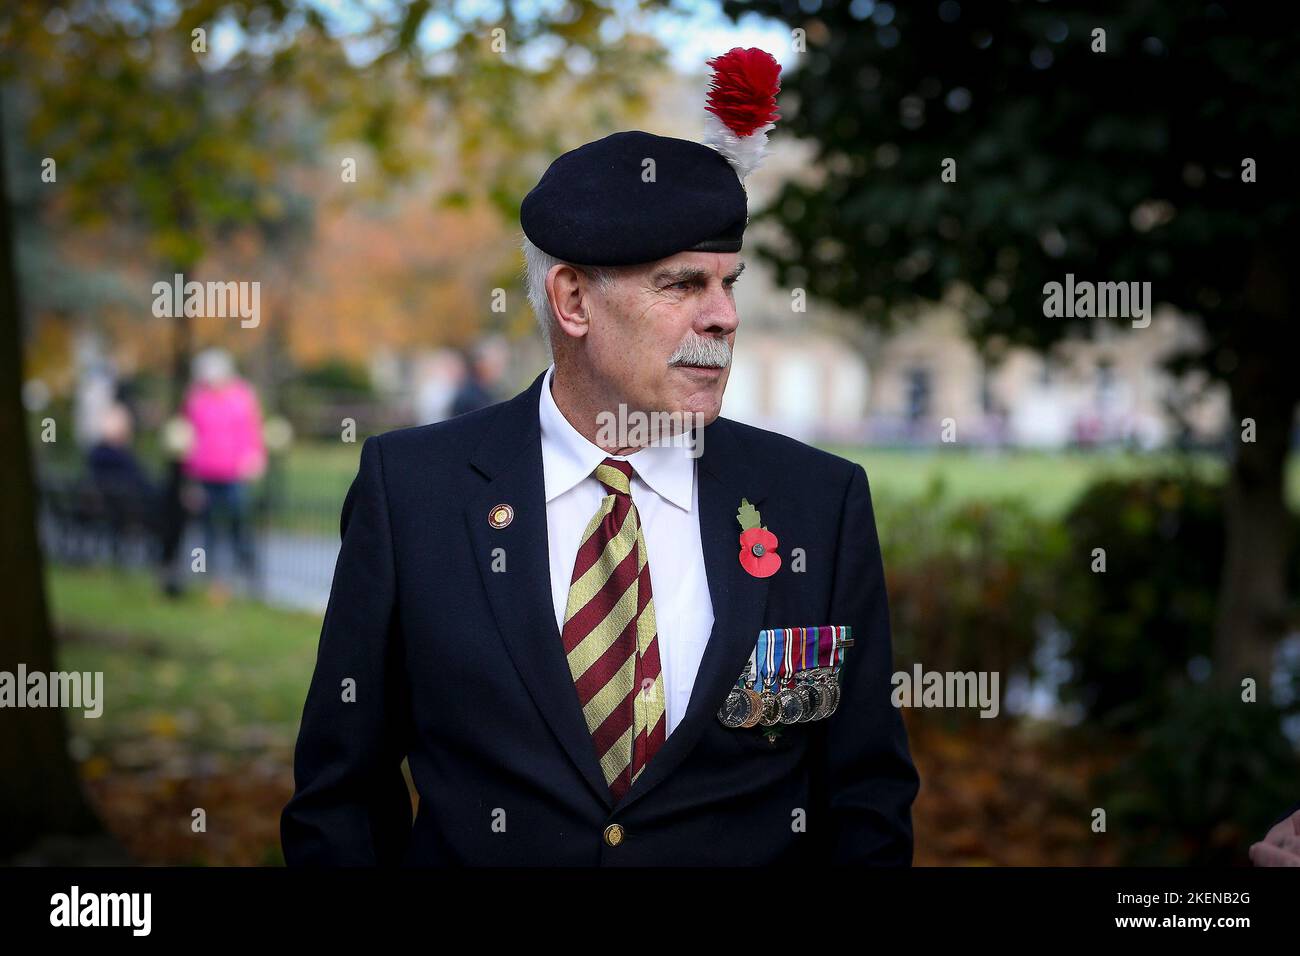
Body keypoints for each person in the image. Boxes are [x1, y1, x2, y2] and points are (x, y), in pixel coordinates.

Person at [282, 47, 919, 865]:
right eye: (682, 285)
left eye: (730, 284)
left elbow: (866, 796)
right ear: (574, 300)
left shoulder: (816, 502)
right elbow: (341, 797)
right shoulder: (414, 493)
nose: (723, 317)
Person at [180, 348, 266, 583]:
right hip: (204, 472)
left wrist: (254, 457)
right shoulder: (196, 399)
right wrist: (190, 479)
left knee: (239, 522)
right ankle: (211, 576)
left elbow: (251, 432)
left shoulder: (242, 396)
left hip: (234, 473)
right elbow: (190, 439)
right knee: (207, 527)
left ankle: (249, 572)